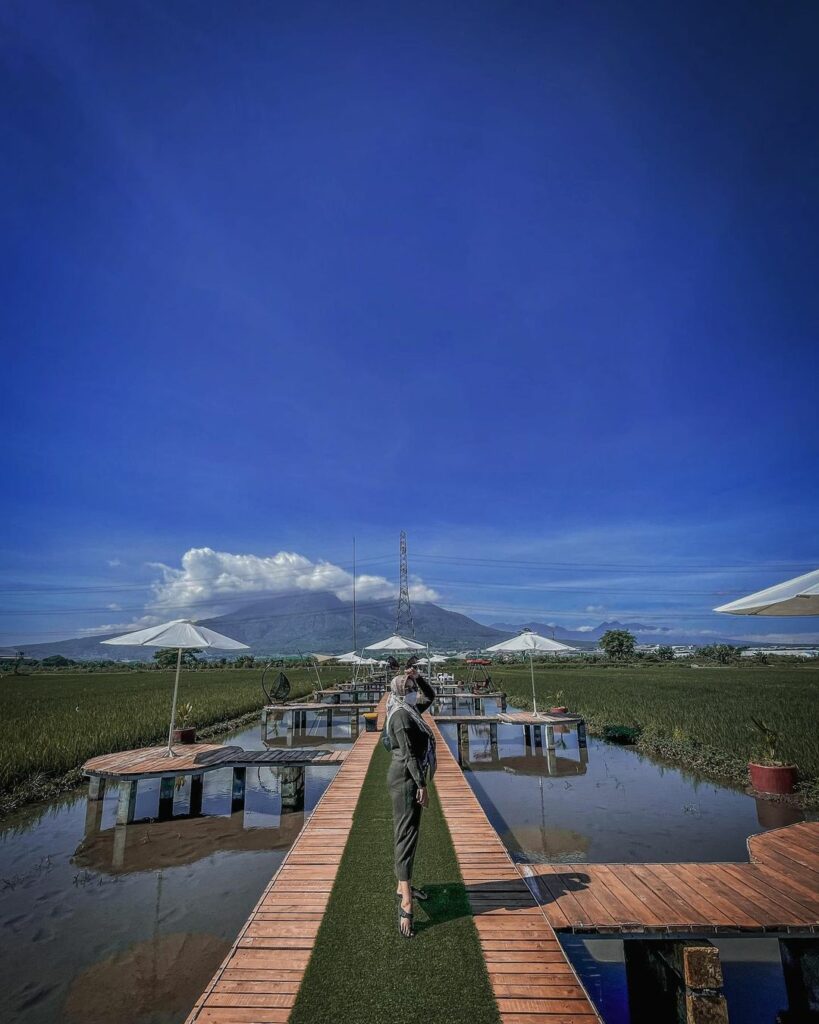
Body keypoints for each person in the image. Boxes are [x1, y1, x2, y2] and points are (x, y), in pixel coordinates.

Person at [385, 660, 437, 938]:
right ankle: (406, 901)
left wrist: (420, 676)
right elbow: (409, 756)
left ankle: (402, 885)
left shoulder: (409, 709)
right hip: (405, 779)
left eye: (413, 687)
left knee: (409, 832)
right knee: (405, 835)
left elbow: (431, 697)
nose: (414, 691)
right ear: (399, 692)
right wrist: (421, 785)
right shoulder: (402, 716)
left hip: (407, 776)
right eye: (410, 688)